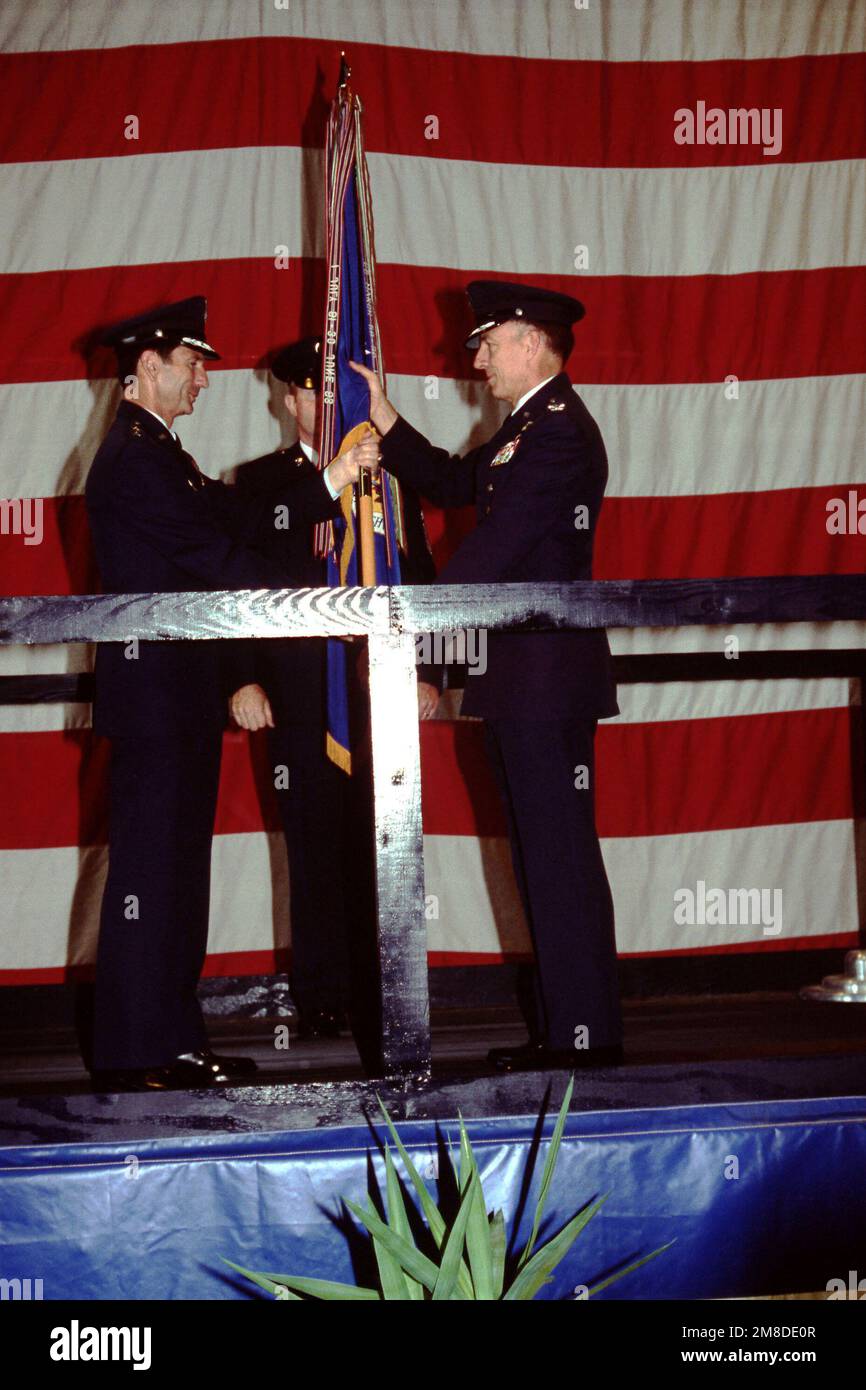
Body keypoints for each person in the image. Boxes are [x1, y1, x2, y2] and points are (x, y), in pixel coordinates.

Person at [84, 298, 378, 1091]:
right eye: (192, 363)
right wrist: (313, 596)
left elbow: (237, 513)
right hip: (155, 696)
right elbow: (221, 553)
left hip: (174, 694)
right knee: (152, 874)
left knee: (176, 873)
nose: (203, 379)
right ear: (148, 366)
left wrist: (330, 480)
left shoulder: (162, 452)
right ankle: (136, 1050)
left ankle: (168, 1040)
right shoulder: (136, 456)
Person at [351, 280, 622, 1072]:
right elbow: (449, 481)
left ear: (530, 343)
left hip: (545, 680)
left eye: (487, 342)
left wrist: (412, 639)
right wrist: (386, 419)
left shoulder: (560, 432)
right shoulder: (527, 428)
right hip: (521, 679)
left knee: (559, 857)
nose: (476, 358)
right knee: (540, 858)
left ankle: (584, 1038)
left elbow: (488, 556)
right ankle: (564, 1029)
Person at [227, 335, 441, 1040]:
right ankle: (321, 995)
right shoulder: (259, 481)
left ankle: (387, 993)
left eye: (338, 392)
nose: (328, 404)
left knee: (380, 841)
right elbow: (240, 579)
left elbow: (422, 575)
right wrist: (246, 676)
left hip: (375, 684)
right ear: (288, 399)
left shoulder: (388, 481)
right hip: (295, 688)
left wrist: (430, 671)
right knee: (311, 841)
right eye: (314, 391)